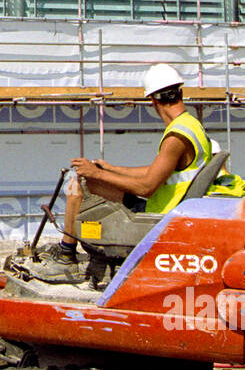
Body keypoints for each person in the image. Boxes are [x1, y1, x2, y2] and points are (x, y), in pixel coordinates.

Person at [41, 63, 211, 268]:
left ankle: (66, 254)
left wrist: (97, 173)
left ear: (154, 101)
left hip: (159, 212)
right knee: (90, 179)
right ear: (180, 92)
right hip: (169, 204)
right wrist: (111, 168)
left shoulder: (176, 137)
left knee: (81, 182)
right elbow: (154, 171)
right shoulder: (191, 126)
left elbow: (146, 188)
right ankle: (71, 250)